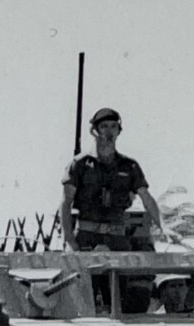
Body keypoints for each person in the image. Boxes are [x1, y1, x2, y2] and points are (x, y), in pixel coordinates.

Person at [59, 108, 173, 252]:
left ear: (119, 131)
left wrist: (163, 226)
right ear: (94, 131)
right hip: (86, 237)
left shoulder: (129, 166)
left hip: (118, 240)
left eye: (113, 126)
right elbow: (65, 203)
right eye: (104, 126)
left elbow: (146, 198)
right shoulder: (80, 165)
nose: (109, 131)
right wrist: (69, 239)